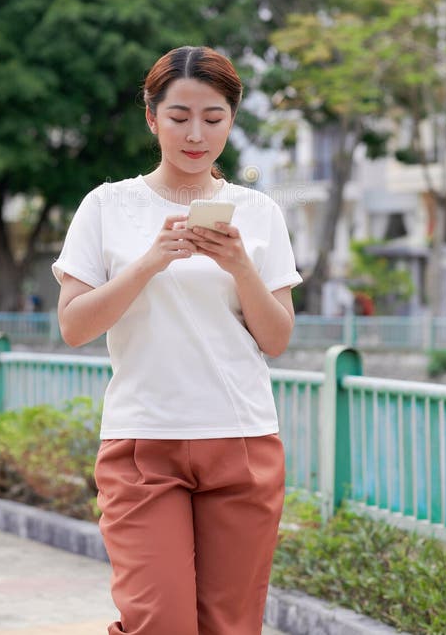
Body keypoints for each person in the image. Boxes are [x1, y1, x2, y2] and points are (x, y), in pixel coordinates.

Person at [52, 46, 302, 635]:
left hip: (241, 438)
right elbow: (73, 326)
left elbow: (277, 338)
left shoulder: (259, 213)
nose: (196, 134)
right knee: (157, 621)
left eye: (213, 119)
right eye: (179, 117)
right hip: (144, 442)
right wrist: (147, 265)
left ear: (231, 119)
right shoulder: (107, 206)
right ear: (152, 117)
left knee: (231, 625)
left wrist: (240, 266)